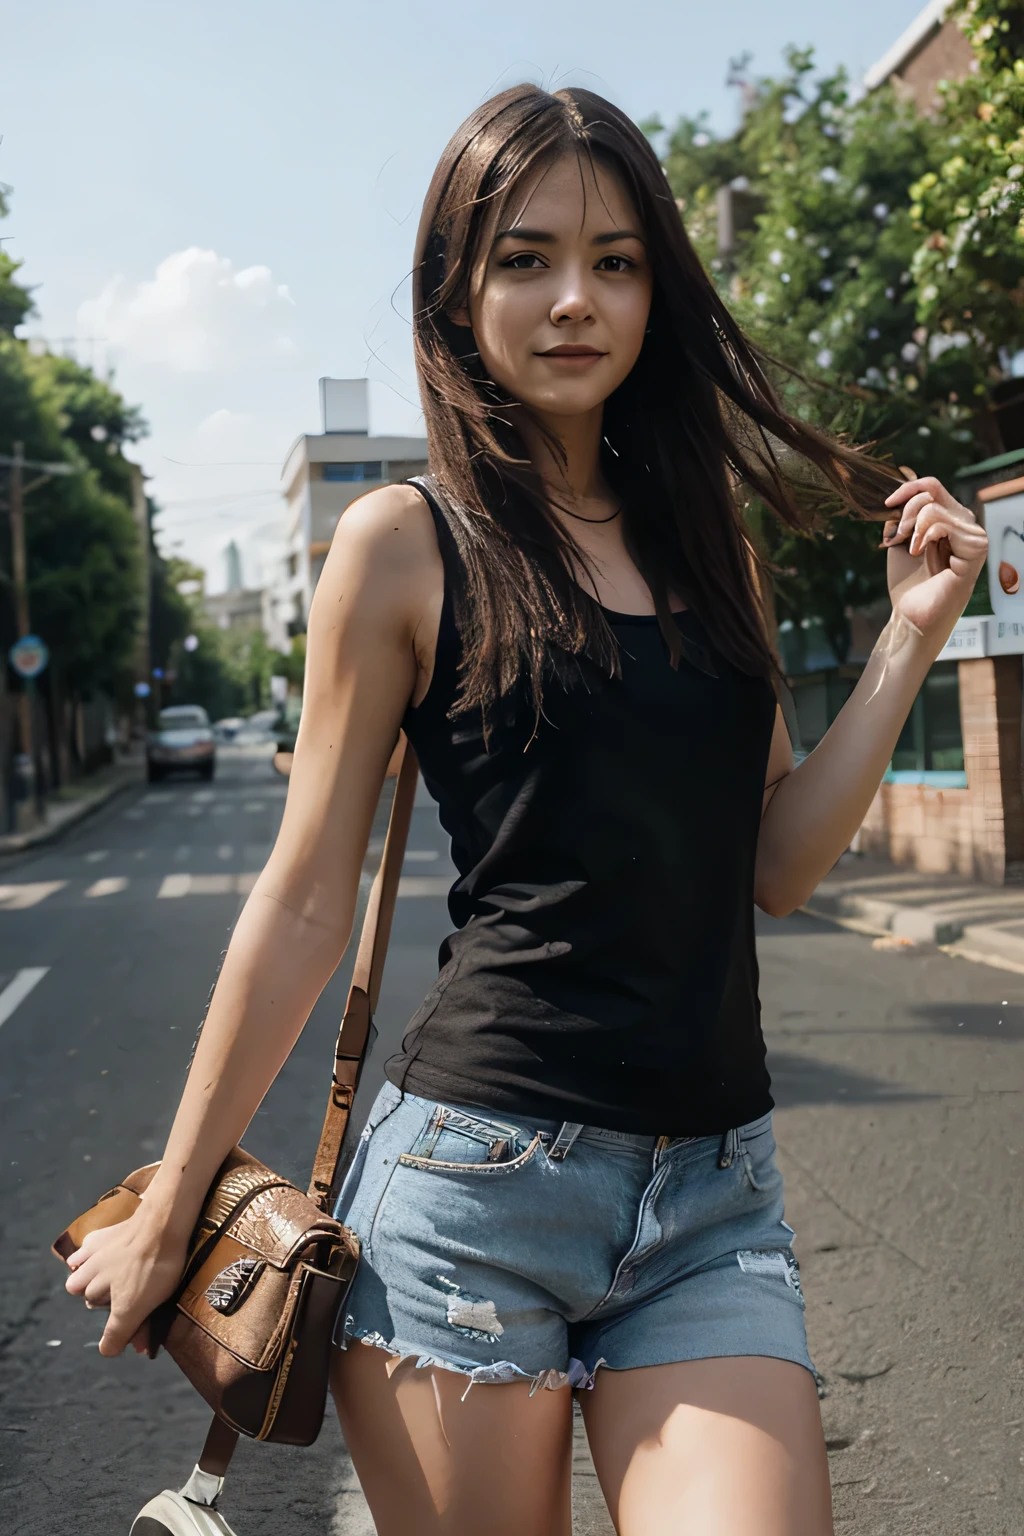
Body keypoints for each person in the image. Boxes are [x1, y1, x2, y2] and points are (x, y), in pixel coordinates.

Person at [62, 85, 987, 1536]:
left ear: (656, 288)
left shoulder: (710, 546)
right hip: (470, 1199)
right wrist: (174, 1207)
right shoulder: (402, 545)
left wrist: (911, 634)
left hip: (712, 1202)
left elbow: (783, 865)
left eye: (617, 261)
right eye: (525, 258)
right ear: (457, 290)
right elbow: (306, 898)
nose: (575, 299)